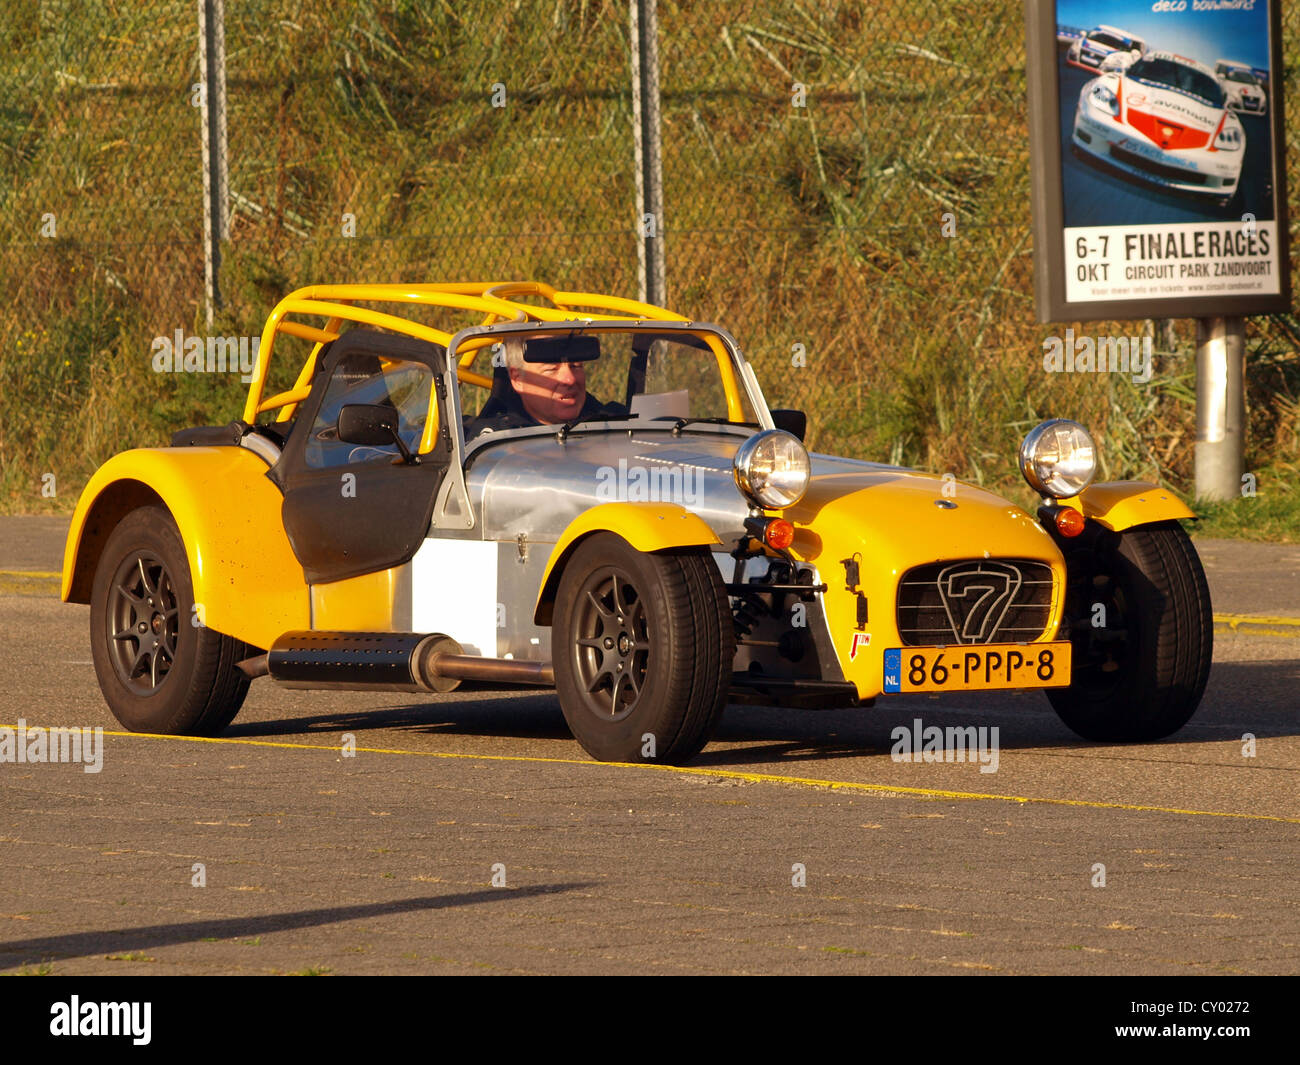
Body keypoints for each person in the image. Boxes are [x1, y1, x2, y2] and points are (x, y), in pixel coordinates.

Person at [467, 334, 624, 435]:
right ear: (517, 379)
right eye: (551, 369)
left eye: (576, 366)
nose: (570, 379)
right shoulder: (495, 443)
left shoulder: (619, 421)